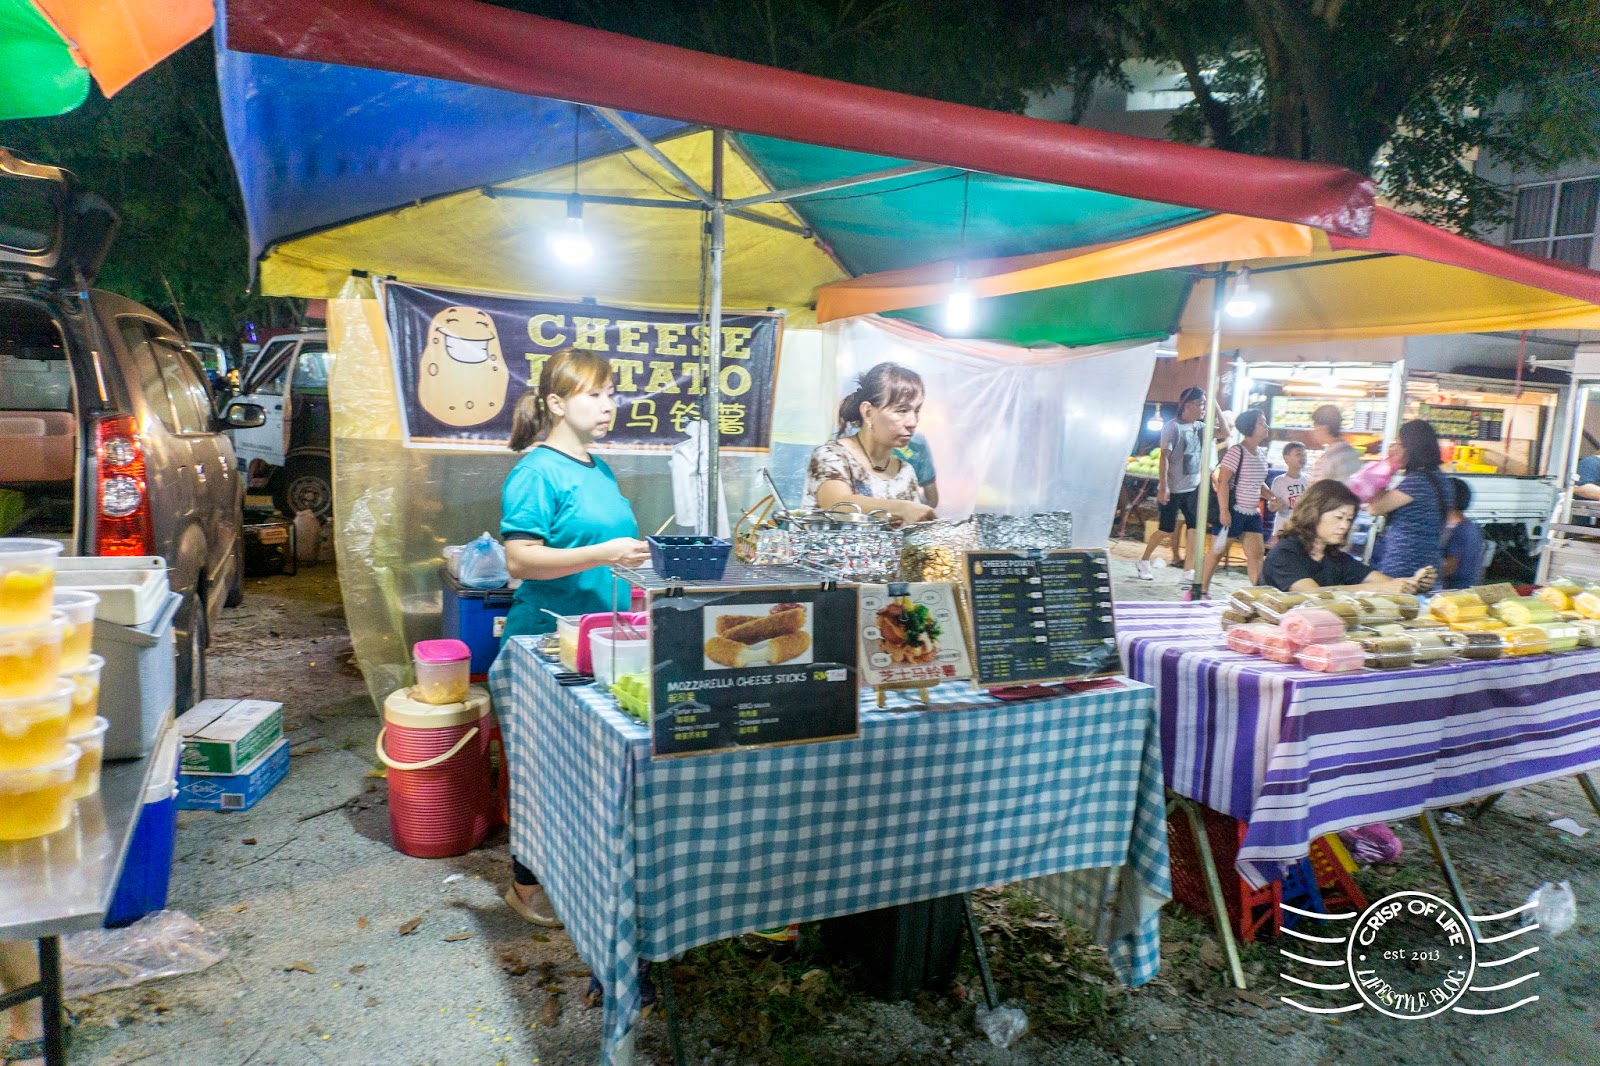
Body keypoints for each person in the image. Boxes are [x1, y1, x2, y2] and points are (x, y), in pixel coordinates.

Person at [497, 348, 649, 927]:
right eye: (595, 395)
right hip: (544, 644)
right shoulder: (536, 471)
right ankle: (525, 886)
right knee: (541, 772)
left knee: (580, 775)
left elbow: (603, 551)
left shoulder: (598, 468)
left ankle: (574, 876)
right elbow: (521, 558)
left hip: (598, 639)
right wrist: (606, 552)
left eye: (612, 394)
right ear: (557, 403)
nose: (609, 406)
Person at [804, 362, 936, 525]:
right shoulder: (832, 456)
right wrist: (903, 508)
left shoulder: (905, 473)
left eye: (916, 411)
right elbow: (836, 504)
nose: (912, 422)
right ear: (867, 412)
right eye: (901, 410)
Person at [1263, 479, 1436, 593]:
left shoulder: (1335, 558)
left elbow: (1385, 583)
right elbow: (1313, 595)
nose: (1344, 526)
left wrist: (1414, 583)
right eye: (1339, 517)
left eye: (1349, 519)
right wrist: (1380, 589)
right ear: (1313, 513)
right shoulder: (1284, 553)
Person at [1137, 387, 1206, 583]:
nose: (1203, 408)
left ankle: (1188, 571)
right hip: (1174, 488)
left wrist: (1215, 405)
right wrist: (1163, 486)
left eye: (1204, 404)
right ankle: (1144, 560)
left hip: (1193, 486)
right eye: (1201, 404)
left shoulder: (1200, 427)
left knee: (1194, 529)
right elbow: (1164, 458)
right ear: (1188, 405)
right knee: (1166, 529)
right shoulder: (1172, 427)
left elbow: (1225, 432)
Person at [1200, 408, 1272, 594]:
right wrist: (1224, 510)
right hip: (1234, 510)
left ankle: (1259, 593)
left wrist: (1271, 496)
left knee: (1256, 555)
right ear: (1250, 427)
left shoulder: (1260, 453)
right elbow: (1223, 482)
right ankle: (1201, 590)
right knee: (1217, 552)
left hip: (1252, 512)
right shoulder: (1236, 452)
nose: (1266, 426)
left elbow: (1257, 482)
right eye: (1261, 423)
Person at [1368, 419, 1449, 580]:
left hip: (1405, 566)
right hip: (1428, 564)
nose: (1393, 449)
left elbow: (1374, 507)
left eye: (1397, 444)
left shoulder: (1417, 482)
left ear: (1410, 447)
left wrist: (1387, 470)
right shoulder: (1440, 478)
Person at [1441, 477, 1486, 589]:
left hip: (1455, 589)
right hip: (1467, 586)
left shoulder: (1460, 530)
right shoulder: (1470, 526)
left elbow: (1449, 567)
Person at [1308, 404, 1364, 483]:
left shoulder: (1326, 460)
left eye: (1315, 427)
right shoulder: (1352, 453)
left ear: (1324, 429)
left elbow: (1317, 490)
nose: (1314, 432)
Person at [1266, 441, 1309, 544]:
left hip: (1303, 530)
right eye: (1298, 454)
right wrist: (1275, 505)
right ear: (1286, 458)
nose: (1303, 457)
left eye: (1304, 455)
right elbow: (1271, 506)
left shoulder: (1309, 479)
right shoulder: (1279, 481)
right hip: (1284, 529)